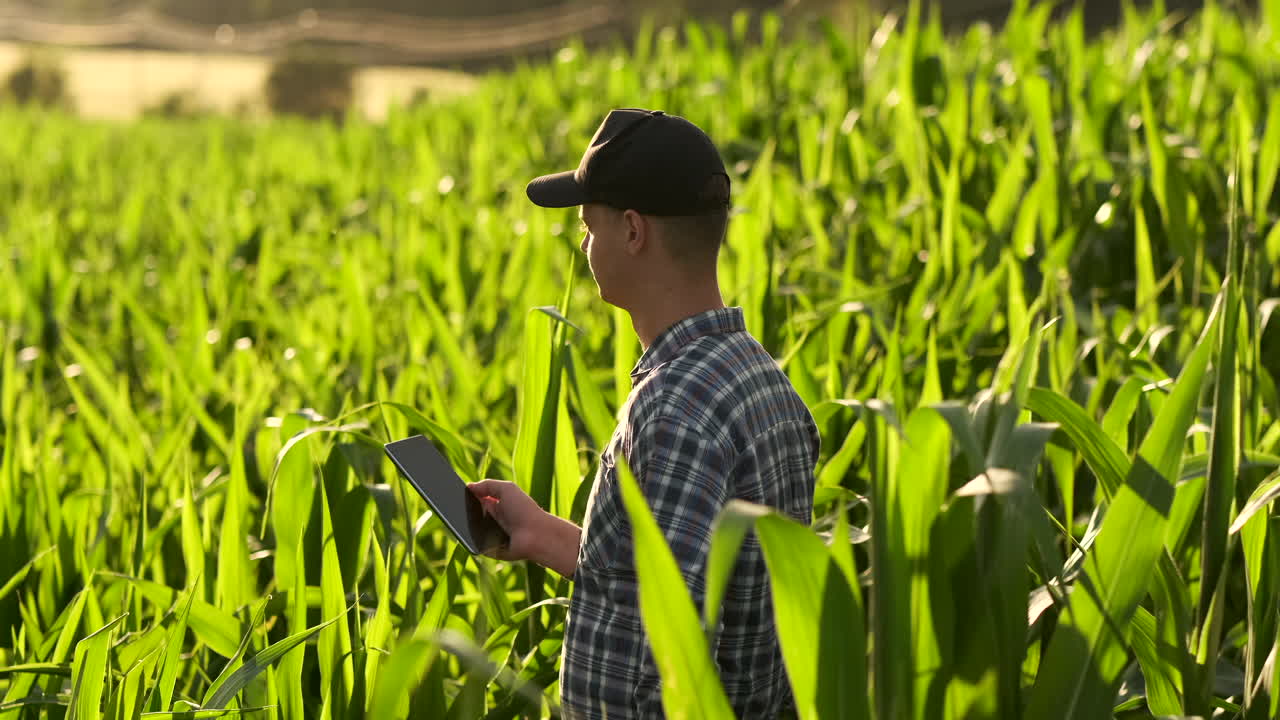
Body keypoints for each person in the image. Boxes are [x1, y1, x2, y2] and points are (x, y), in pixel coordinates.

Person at [466, 108, 819, 719]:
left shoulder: (675, 411)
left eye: (587, 227)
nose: (583, 245)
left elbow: (674, 664)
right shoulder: (760, 379)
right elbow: (676, 584)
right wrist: (543, 534)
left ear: (633, 232)